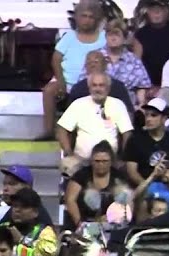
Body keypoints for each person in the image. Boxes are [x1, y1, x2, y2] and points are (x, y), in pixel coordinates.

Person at [42, 0, 105, 135]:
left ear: (97, 20)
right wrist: (61, 82)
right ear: (76, 17)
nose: (86, 20)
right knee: (48, 91)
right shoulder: (69, 37)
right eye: (84, 16)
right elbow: (56, 59)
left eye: (91, 17)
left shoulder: (104, 38)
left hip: (92, 81)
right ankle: (48, 131)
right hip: (66, 80)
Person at [56, 72, 133, 164]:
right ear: (89, 88)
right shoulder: (78, 104)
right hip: (81, 160)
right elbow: (61, 129)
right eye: (94, 85)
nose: (97, 89)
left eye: (101, 85)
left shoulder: (118, 104)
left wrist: (123, 157)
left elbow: (127, 133)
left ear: (108, 88)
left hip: (110, 161)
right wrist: (68, 152)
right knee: (68, 165)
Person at [123, 97, 169, 186]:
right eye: (146, 115)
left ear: (164, 118)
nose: (148, 119)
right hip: (142, 189)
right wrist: (148, 189)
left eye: (153, 115)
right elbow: (132, 172)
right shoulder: (135, 140)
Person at [133, 0, 169, 88]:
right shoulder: (140, 34)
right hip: (149, 85)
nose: (156, 13)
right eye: (152, 10)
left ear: (166, 11)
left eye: (160, 9)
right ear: (147, 12)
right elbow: (137, 64)